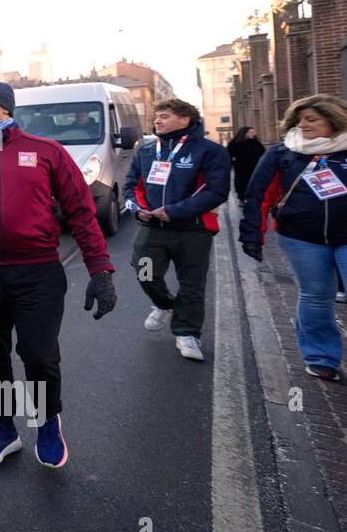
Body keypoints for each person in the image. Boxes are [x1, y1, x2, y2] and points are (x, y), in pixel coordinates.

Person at [0, 82, 117, 468]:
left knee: (38, 354)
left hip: (37, 272)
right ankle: (4, 428)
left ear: (5, 107)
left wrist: (100, 269)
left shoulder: (45, 152)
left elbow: (82, 214)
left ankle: (47, 421)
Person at [240, 94, 347, 382]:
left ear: (334, 120)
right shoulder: (283, 151)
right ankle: (321, 358)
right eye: (299, 119)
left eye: (312, 119)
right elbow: (258, 194)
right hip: (301, 237)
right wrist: (253, 234)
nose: (303, 124)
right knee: (316, 296)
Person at [123, 98, 231, 362]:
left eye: (165, 116)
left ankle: (187, 333)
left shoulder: (210, 151)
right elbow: (130, 186)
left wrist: (175, 211)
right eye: (156, 116)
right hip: (152, 227)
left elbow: (216, 192)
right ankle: (164, 303)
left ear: (185, 120)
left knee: (192, 283)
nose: (157, 120)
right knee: (144, 269)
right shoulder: (147, 151)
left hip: (193, 230)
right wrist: (138, 208)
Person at [226, 126, 265, 203]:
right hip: (241, 169)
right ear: (244, 133)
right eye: (251, 132)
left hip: (255, 168)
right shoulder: (235, 143)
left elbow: (263, 154)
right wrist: (229, 165)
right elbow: (228, 155)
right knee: (242, 184)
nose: (253, 134)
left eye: (254, 132)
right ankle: (242, 199)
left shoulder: (257, 143)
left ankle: (254, 198)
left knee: (254, 183)